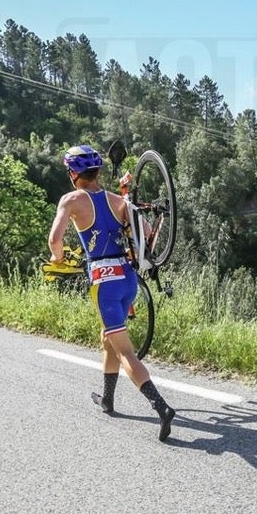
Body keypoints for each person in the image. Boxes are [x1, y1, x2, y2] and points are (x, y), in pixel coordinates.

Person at [47, 144, 176, 441]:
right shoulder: (119, 200)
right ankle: (107, 399)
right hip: (128, 281)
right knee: (109, 340)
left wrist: (57, 258)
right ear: (97, 172)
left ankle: (161, 407)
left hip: (104, 283)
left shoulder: (71, 200)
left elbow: (55, 240)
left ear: (73, 173)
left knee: (126, 351)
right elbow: (147, 233)